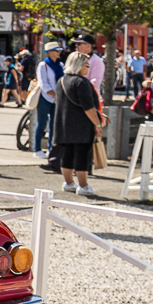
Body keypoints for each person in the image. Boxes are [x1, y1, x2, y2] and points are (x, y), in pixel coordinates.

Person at [53, 52, 102, 197]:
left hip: (64, 123)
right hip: (81, 124)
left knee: (68, 153)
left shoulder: (62, 80)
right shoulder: (81, 82)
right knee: (82, 155)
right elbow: (88, 107)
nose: (88, 68)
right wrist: (97, 125)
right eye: (86, 65)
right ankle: (83, 185)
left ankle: (68, 183)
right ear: (79, 65)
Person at [33, 41, 64, 159]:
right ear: (50, 52)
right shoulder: (43, 65)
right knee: (41, 123)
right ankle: (37, 149)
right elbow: (43, 83)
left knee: (54, 124)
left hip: (57, 99)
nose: (59, 53)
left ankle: (51, 149)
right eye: (56, 51)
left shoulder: (60, 65)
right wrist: (54, 94)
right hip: (45, 97)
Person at [72, 33, 104, 100]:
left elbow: (95, 83)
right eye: (76, 43)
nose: (76, 46)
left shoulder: (96, 61)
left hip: (89, 99)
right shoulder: (74, 59)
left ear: (88, 46)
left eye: (79, 44)